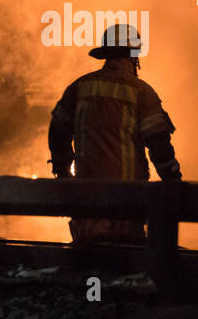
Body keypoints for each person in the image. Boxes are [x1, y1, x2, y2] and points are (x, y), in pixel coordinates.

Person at [48, 23, 181, 244]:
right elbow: (158, 143)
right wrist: (173, 178)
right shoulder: (142, 92)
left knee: (90, 260)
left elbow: (58, 131)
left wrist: (64, 175)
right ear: (133, 56)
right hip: (128, 200)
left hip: (87, 199)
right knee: (126, 262)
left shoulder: (80, 87)